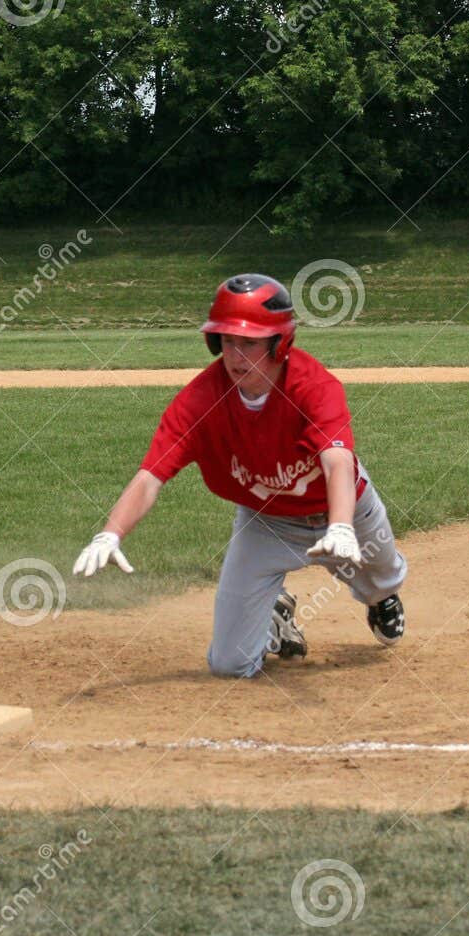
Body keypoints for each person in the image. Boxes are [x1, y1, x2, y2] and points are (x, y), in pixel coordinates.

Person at [71, 274, 407, 677]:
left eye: (250, 342)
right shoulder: (200, 401)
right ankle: (276, 616)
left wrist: (340, 526)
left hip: (344, 512)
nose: (236, 354)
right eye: (227, 341)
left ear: (279, 344)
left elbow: (337, 461)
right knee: (229, 664)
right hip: (267, 522)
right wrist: (111, 533)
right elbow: (151, 476)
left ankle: (379, 598)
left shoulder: (313, 385)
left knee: (383, 579)